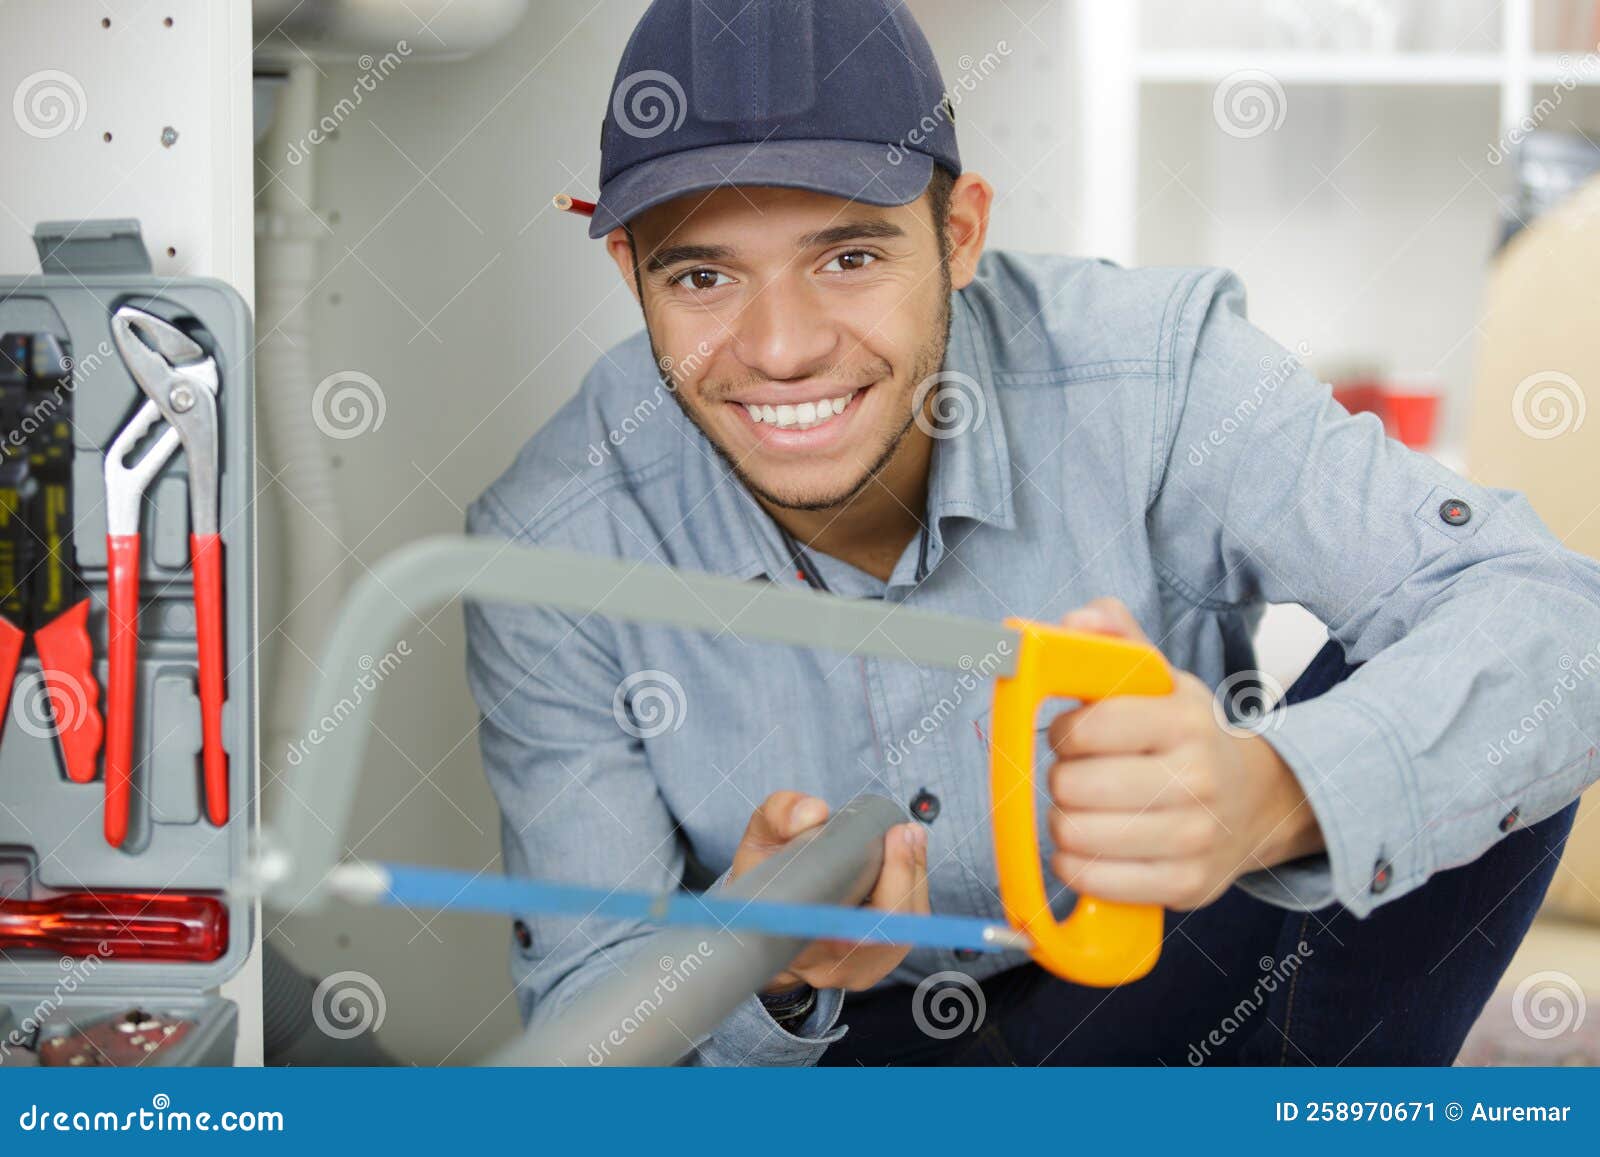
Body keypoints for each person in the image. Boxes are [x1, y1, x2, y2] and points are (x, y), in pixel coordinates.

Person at [464, 0, 1596, 1065]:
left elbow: (1560, 620)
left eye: (848, 257)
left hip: (1167, 993)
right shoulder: (546, 546)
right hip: (840, 1063)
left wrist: (1270, 795)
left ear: (959, 234)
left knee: (1472, 677)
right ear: (631, 275)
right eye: (703, 275)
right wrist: (769, 974)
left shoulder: (1154, 372)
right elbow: (584, 1026)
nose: (780, 348)